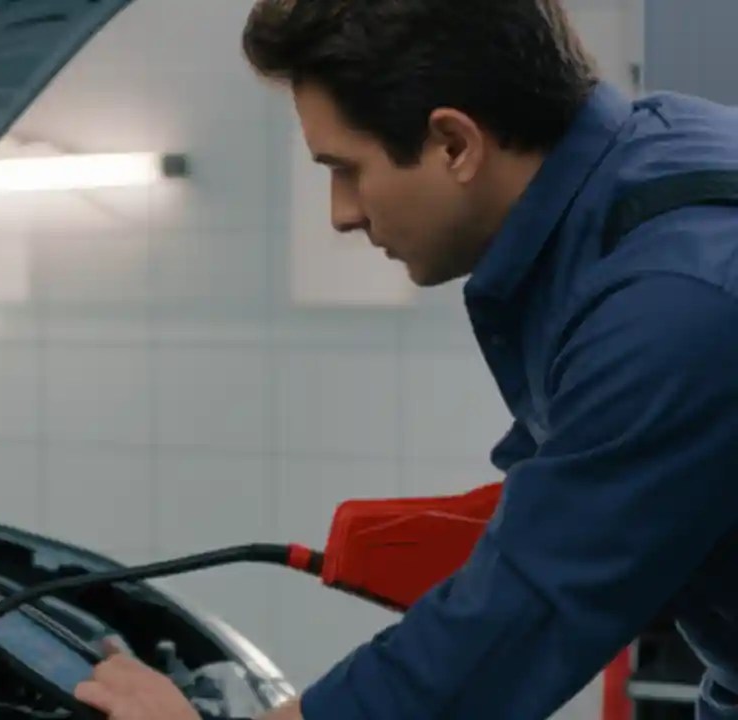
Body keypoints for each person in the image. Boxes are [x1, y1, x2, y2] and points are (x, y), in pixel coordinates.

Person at [73, 0, 738, 718]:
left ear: (454, 144)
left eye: (345, 169)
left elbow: (520, 623)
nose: (341, 212)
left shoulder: (676, 299)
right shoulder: (652, 161)